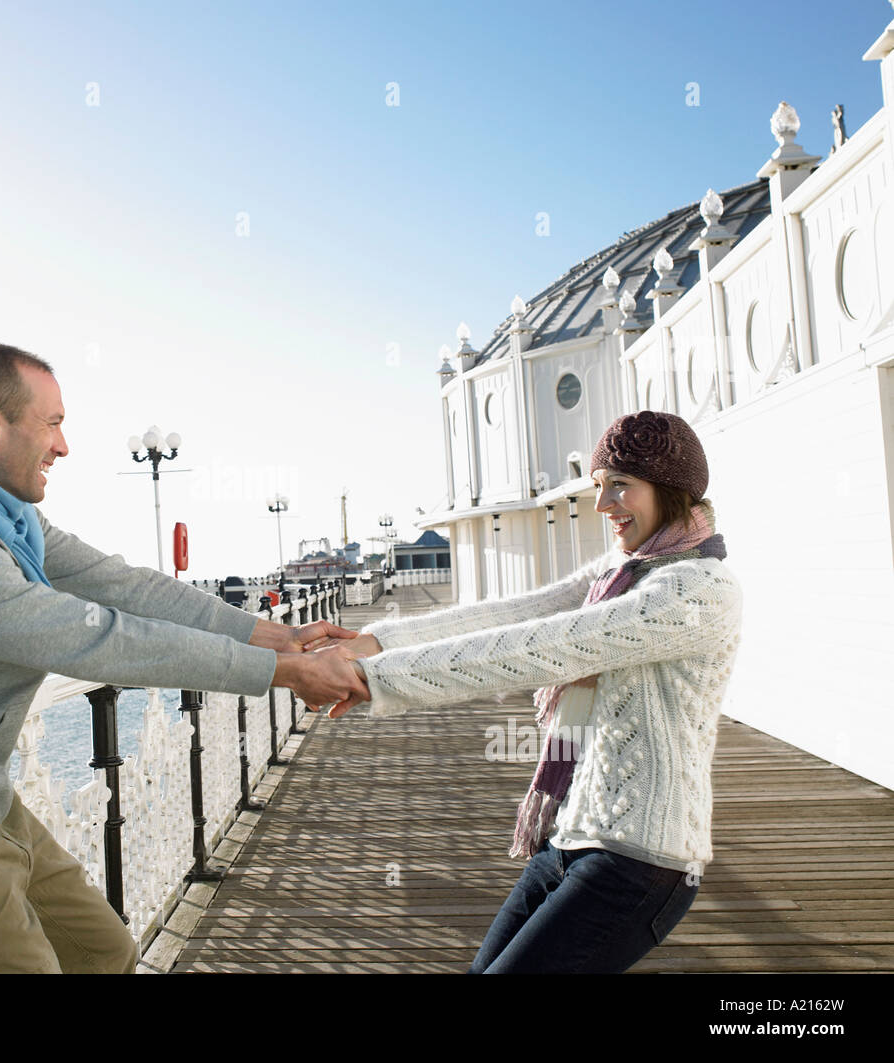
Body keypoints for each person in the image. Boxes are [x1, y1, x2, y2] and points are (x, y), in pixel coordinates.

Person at [0, 341, 367, 974]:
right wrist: (285, 673)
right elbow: (101, 638)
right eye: (52, 423)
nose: (64, 445)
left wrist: (271, 637)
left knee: (103, 954)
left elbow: (124, 586)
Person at [313, 411, 743, 974]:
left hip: (642, 861)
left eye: (620, 485)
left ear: (671, 489)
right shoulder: (626, 570)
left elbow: (532, 646)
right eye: (598, 486)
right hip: (570, 836)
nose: (603, 505)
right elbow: (516, 614)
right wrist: (371, 642)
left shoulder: (697, 589)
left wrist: (376, 680)